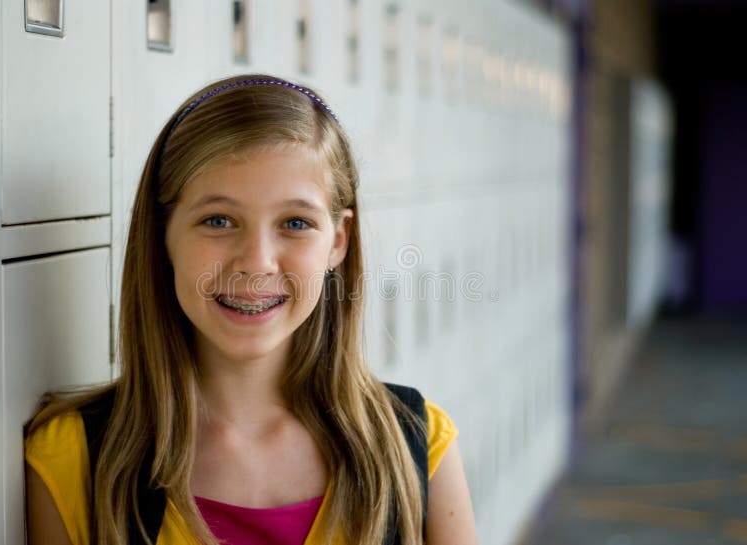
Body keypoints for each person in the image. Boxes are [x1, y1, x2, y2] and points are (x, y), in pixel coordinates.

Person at [24, 74, 477, 545]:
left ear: (337, 241)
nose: (257, 263)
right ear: (164, 234)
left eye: (295, 223)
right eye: (218, 220)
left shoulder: (417, 446)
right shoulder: (76, 459)